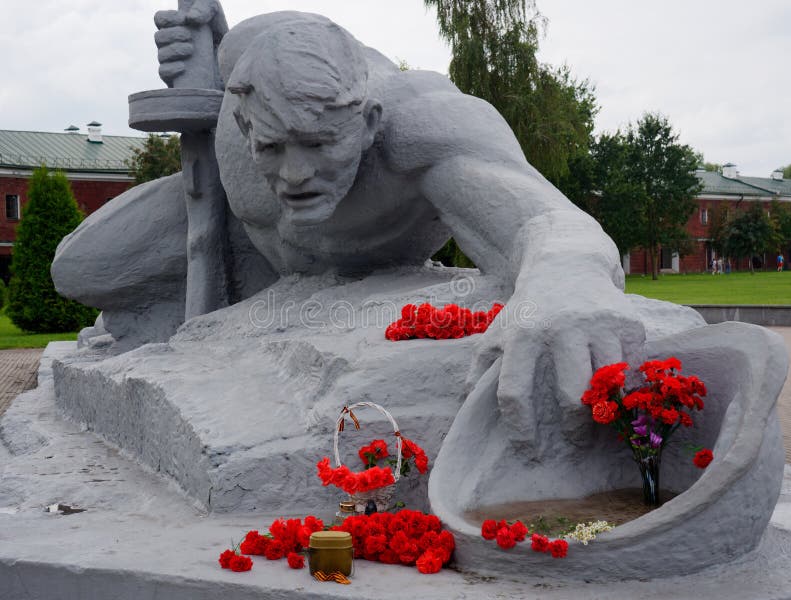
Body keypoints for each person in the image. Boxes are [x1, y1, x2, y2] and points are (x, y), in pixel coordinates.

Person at [54, 5, 645, 429]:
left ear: (365, 123)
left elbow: (541, 220)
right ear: (243, 123)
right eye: (272, 147)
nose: (294, 175)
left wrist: (568, 278)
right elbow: (227, 58)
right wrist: (197, 50)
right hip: (244, 252)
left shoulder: (426, 125)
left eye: (319, 144)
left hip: (344, 288)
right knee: (80, 269)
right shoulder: (246, 77)